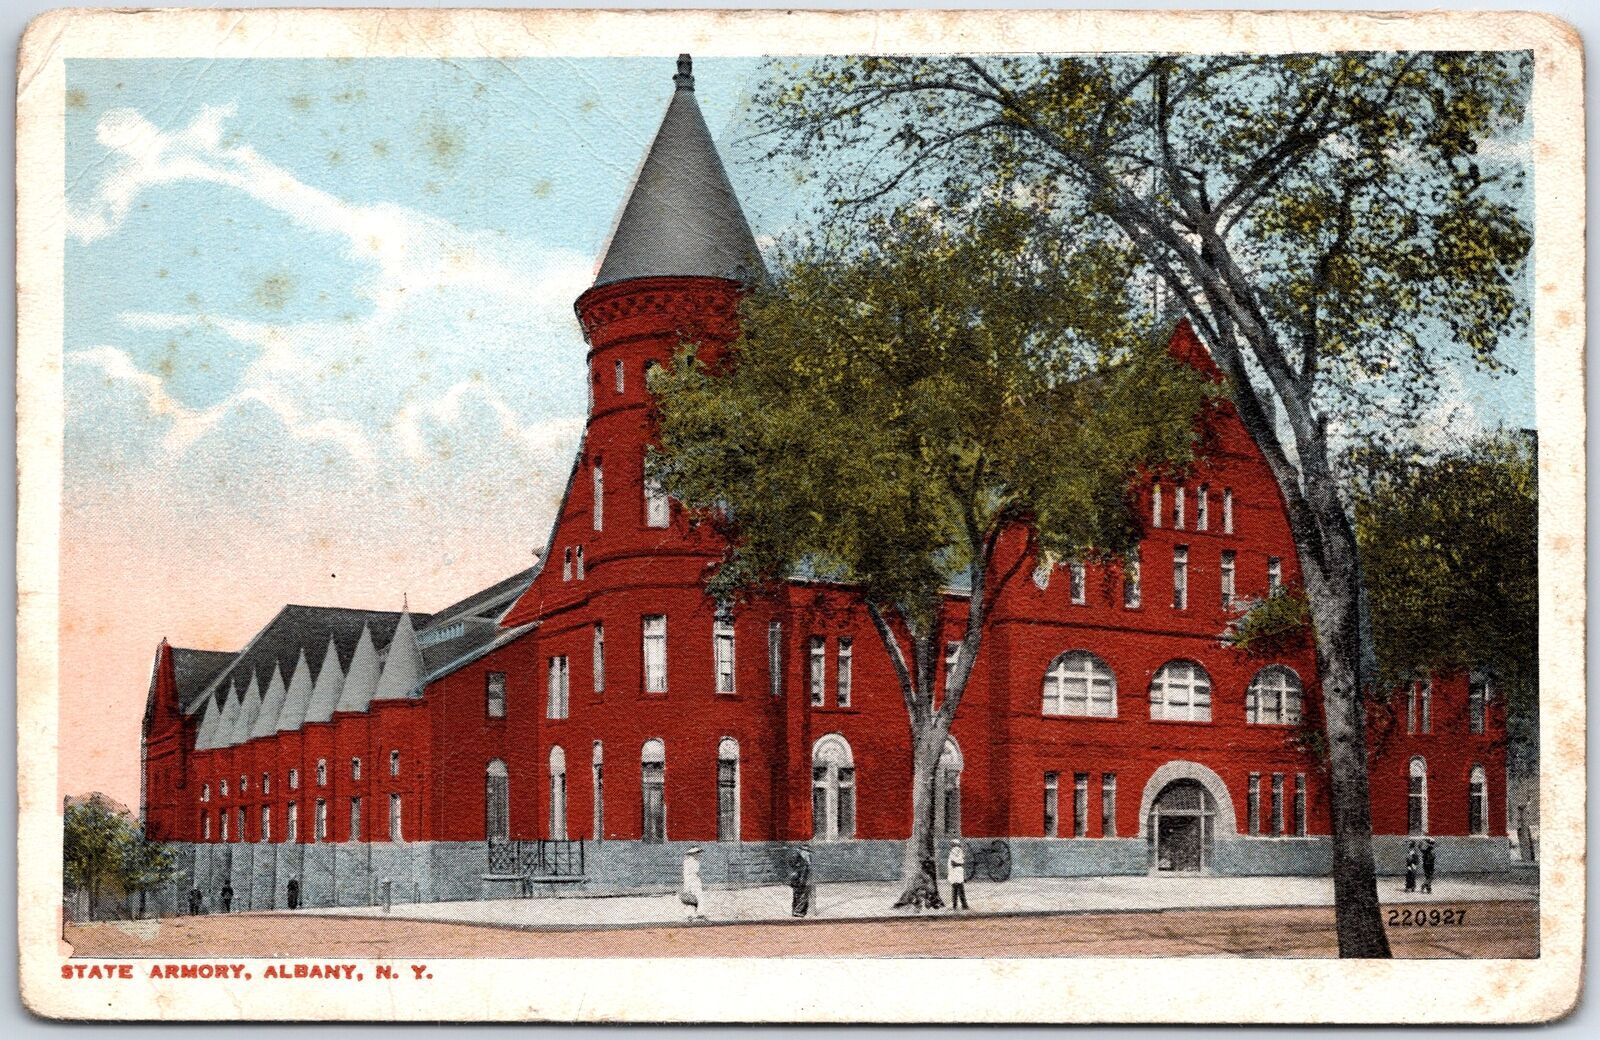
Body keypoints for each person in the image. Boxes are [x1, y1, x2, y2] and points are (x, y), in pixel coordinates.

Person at [680, 847, 705, 922]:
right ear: (693, 854)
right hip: (692, 880)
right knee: (694, 897)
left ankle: (691, 914)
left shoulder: (688, 861)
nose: (699, 854)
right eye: (697, 853)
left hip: (692, 880)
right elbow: (690, 873)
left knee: (693, 897)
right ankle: (695, 913)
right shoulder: (691, 862)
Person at [789, 847, 813, 918]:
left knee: (797, 895)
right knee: (802, 895)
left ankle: (796, 911)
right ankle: (798, 911)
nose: (809, 854)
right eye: (807, 852)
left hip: (797, 879)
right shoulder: (802, 859)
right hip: (800, 880)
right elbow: (803, 870)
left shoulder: (796, 856)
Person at [947, 840, 969, 911]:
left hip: (955, 872)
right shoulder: (960, 850)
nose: (950, 845)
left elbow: (953, 862)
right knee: (960, 889)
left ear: (954, 844)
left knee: (955, 890)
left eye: (951, 843)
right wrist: (961, 864)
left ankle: (955, 905)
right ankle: (963, 905)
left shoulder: (954, 850)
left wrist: (959, 864)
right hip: (958, 872)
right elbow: (961, 861)